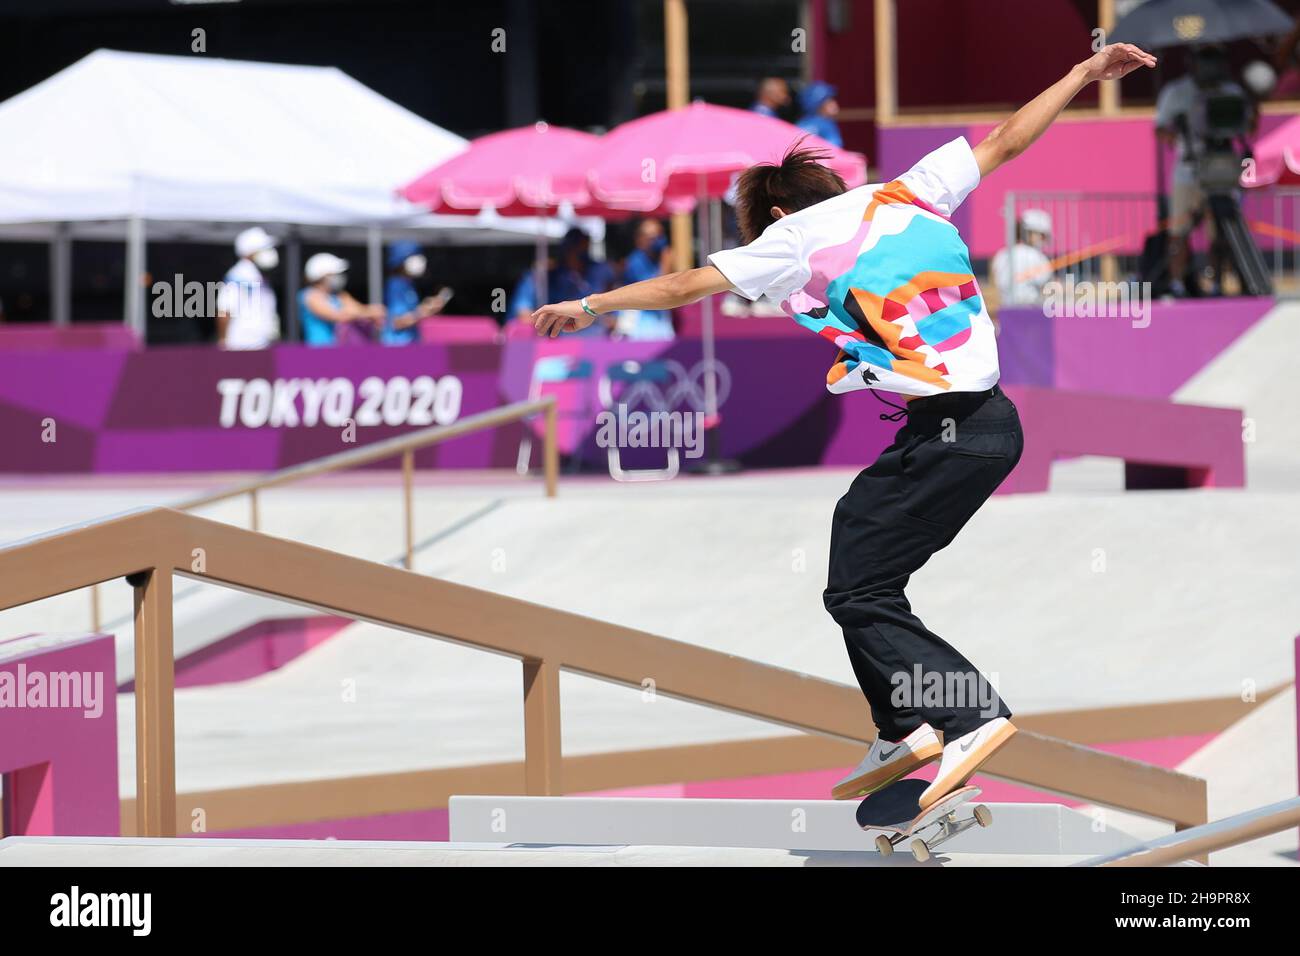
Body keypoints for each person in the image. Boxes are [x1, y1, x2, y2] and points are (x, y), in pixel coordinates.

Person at [532, 43, 1156, 810]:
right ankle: (902, 728)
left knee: (860, 587)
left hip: (954, 431)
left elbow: (686, 282)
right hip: (983, 425)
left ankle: (968, 713)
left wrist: (591, 305)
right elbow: (1007, 140)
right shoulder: (907, 192)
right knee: (856, 556)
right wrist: (1084, 75)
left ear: (778, 213)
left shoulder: (790, 235)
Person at [1156, 46, 1255, 296]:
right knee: (1179, 231)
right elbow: (1159, 129)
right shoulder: (1177, 92)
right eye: (1205, 59)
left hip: (1222, 169)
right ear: (1193, 63)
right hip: (1187, 172)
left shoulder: (1232, 91)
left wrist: (1255, 100)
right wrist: (1179, 132)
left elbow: (1248, 126)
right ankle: (1176, 283)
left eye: (1215, 59)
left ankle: (1217, 282)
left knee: (1220, 232)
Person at [298, 253, 385, 347]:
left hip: (339, 350)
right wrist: (368, 313)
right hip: (318, 351)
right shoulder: (310, 296)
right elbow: (338, 316)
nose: (339, 276)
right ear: (321, 276)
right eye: (334, 274)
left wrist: (374, 312)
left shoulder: (339, 295)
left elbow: (359, 309)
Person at [217, 227, 280, 350]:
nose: (269, 252)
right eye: (263, 248)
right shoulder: (237, 276)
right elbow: (224, 311)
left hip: (261, 345)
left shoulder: (257, 275)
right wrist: (224, 343)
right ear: (249, 252)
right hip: (242, 346)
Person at [381, 241, 452, 346]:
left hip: (411, 345)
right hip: (398, 348)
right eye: (414, 256)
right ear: (402, 261)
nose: (420, 260)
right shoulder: (396, 285)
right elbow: (398, 322)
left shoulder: (408, 284)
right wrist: (424, 311)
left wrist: (428, 307)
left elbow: (411, 313)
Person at [616, 219, 674, 340]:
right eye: (652, 238)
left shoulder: (658, 259)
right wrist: (666, 261)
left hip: (660, 319)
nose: (657, 241)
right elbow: (659, 288)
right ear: (640, 239)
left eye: (659, 236)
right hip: (640, 321)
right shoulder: (635, 261)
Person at [991, 209, 1054, 307]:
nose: (1043, 240)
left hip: (1006, 311)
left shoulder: (1002, 255)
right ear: (1031, 233)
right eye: (1042, 235)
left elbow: (995, 286)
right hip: (1030, 311)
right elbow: (1046, 285)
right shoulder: (1038, 257)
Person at [796, 80, 843, 148]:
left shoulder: (802, 123)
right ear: (819, 105)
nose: (834, 104)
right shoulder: (824, 124)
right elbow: (833, 150)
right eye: (829, 101)